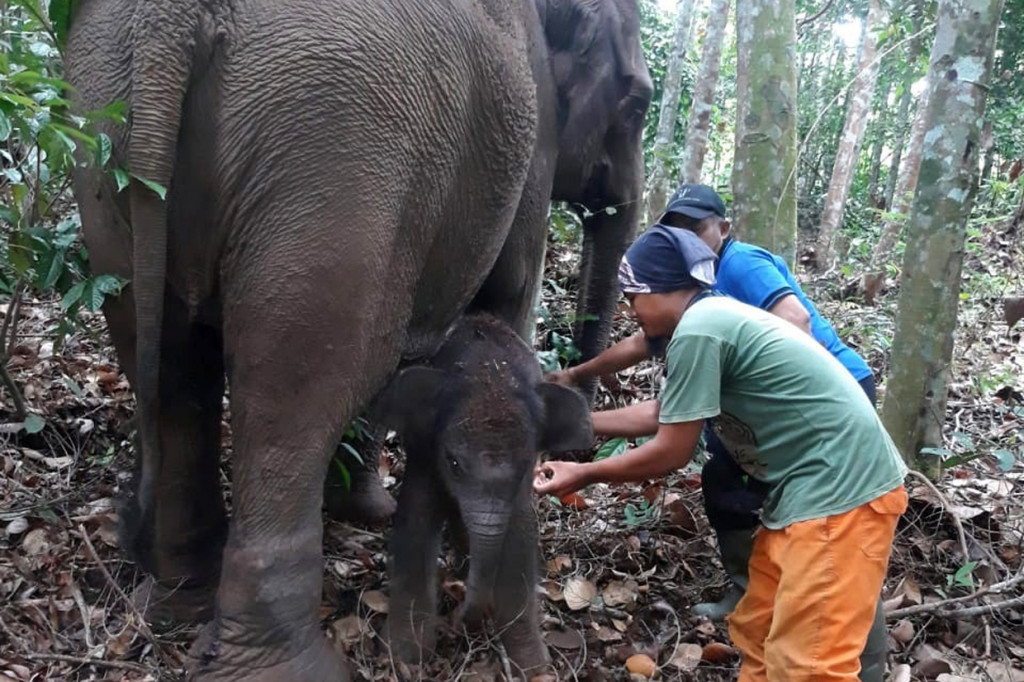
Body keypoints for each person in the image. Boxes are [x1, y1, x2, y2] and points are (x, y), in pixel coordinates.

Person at [535, 225, 907, 681]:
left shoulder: (701, 330)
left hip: (839, 494)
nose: (631, 311)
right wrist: (577, 423)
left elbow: (671, 451)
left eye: (633, 296)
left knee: (810, 661)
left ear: (664, 289)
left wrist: (585, 472)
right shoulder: (711, 320)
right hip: (803, 494)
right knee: (760, 625)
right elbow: (666, 411)